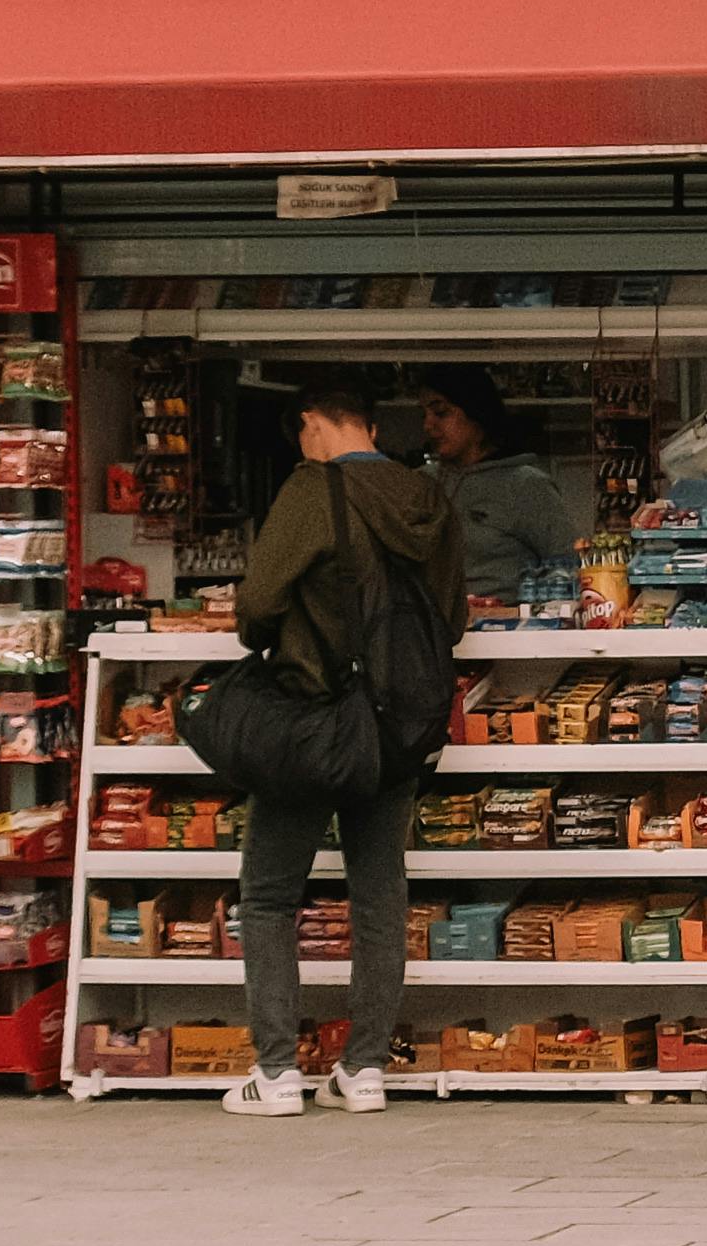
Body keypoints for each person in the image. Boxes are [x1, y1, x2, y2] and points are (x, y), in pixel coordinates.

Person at [226, 370, 467, 1116]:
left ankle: (276, 1074)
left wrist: (279, 637)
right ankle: (363, 1071)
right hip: (396, 725)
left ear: (314, 424)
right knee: (379, 895)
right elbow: (452, 616)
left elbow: (259, 603)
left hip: (312, 718)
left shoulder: (311, 489)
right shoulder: (428, 495)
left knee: (268, 895)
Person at [421, 365, 584, 611]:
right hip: (426, 629)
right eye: (423, 415)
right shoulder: (421, 483)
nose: (428, 425)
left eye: (441, 413)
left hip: (503, 632)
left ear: (476, 414)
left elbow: (569, 563)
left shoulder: (526, 485)